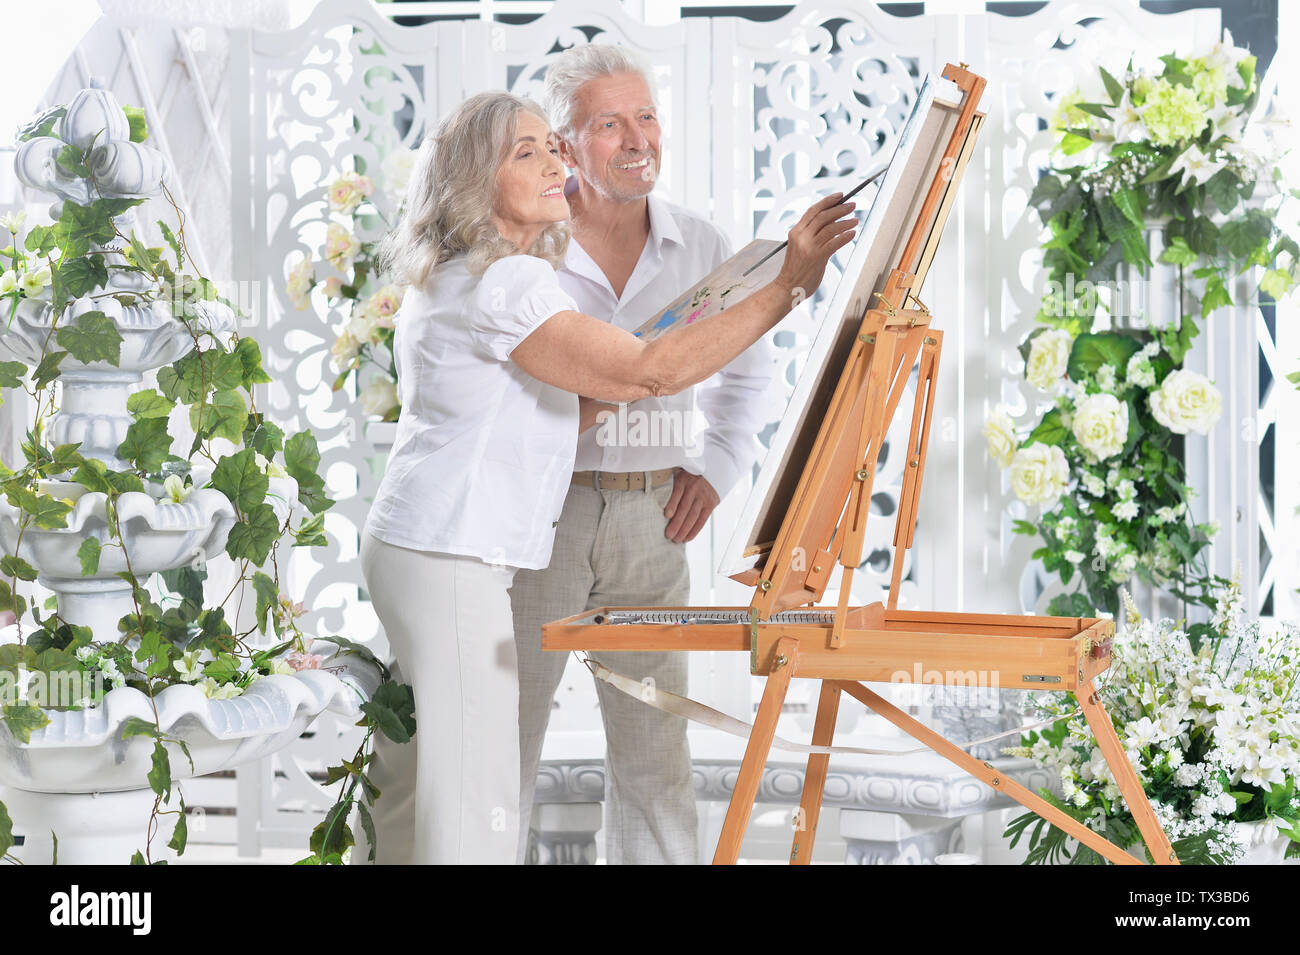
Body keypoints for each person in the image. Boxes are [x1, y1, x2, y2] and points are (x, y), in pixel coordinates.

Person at [358, 90, 855, 864]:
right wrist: (789, 284)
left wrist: (640, 370)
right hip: (453, 555)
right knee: (475, 794)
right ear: (471, 181)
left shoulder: (461, 271)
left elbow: (562, 404)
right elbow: (648, 375)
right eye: (526, 152)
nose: (553, 159)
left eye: (548, 145)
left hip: (413, 544)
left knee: (417, 778)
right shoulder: (505, 281)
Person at [510, 44, 776, 865]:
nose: (638, 139)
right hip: (538, 518)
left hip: (654, 519)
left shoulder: (701, 243)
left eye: (647, 116)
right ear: (564, 144)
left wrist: (717, 471)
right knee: (507, 738)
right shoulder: (527, 246)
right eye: (609, 124)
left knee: (656, 753)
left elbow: (749, 375)